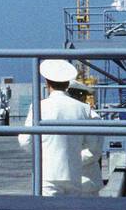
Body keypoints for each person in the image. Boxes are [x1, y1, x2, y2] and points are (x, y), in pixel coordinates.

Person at [18, 59, 104, 196]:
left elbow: (25, 141)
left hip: (46, 171)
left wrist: (42, 154)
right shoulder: (83, 108)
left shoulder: (39, 107)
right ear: (67, 84)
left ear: (47, 83)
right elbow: (93, 145)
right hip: (73, 173)